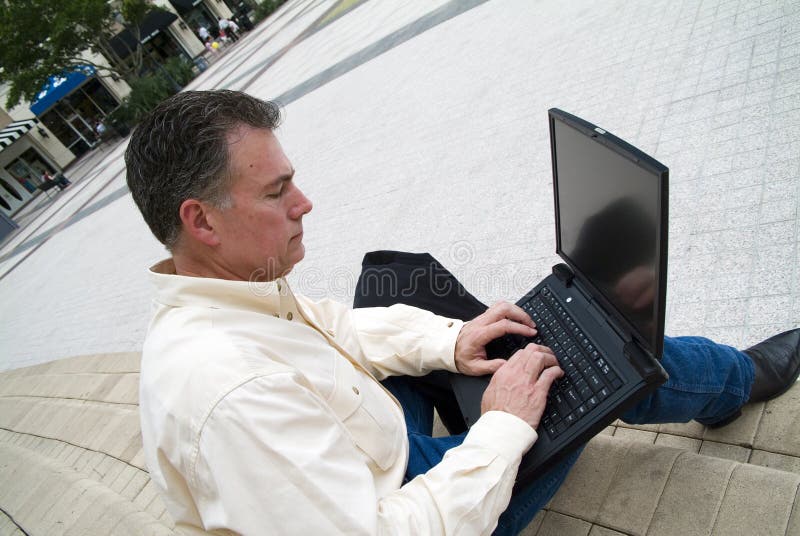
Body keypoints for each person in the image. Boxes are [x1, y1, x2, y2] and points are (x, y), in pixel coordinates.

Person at [126, 90, 800, 535]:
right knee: (582, 364)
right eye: (278, 192)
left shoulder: (229, 291)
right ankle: (736, 379)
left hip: (366, 448)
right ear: (202, 221)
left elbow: (340, 330)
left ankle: (530, 359)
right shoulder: (231, 394)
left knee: (412, 287)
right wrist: (502, 429)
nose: (304, 203)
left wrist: (455, 340)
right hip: (401, 500)